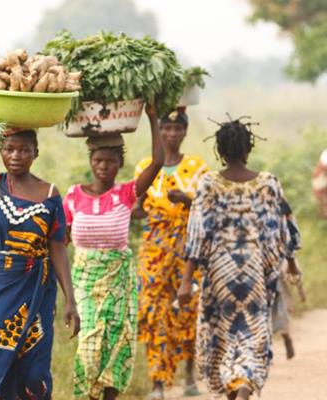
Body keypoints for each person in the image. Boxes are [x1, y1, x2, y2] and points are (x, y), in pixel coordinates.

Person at [178, 117, 301, 400]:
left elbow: (197, 234)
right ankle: (244, 386)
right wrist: (291, 263)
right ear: (248, 149)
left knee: (221, 334)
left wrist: (186, 281)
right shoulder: (268, 183)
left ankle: (233, 388)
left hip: (220, 274)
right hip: (255, 272)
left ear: (220, 151)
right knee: (253, 333)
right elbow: (284, 225)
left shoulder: (209, 184)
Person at [0, 130, 80, 400]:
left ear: (35, 153)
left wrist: (70, 300)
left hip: (36, 289)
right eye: (9, 149)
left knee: (34, 370)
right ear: (0, 150)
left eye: (24, 150)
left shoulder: (49, 194)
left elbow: (58, 247)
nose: (16, 156)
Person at [64, 105, 163, 400]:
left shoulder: (126, 194)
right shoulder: (73, 196)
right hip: (85, 280)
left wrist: (152, 117)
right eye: (98, 160)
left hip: (119, 281)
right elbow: (62, 240)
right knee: (89, 346)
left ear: (119, 163)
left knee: (117, 342)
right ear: (90, 162)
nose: (104, 166)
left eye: (110, 161)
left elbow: (157, 162)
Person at [132, 108, 207, 399]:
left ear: (185, 132)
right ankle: (158, 383)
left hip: (189, 249)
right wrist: (136, 208)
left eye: (177, 129)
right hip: (155, 249)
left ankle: (188, 375)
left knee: (189, 309)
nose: (172, 134)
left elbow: (210, 206)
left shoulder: (198, 167)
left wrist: (187, 200)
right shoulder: (145, 167)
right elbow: (137, 209)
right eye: (166, 128)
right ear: (160, 130)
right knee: (153, 311)